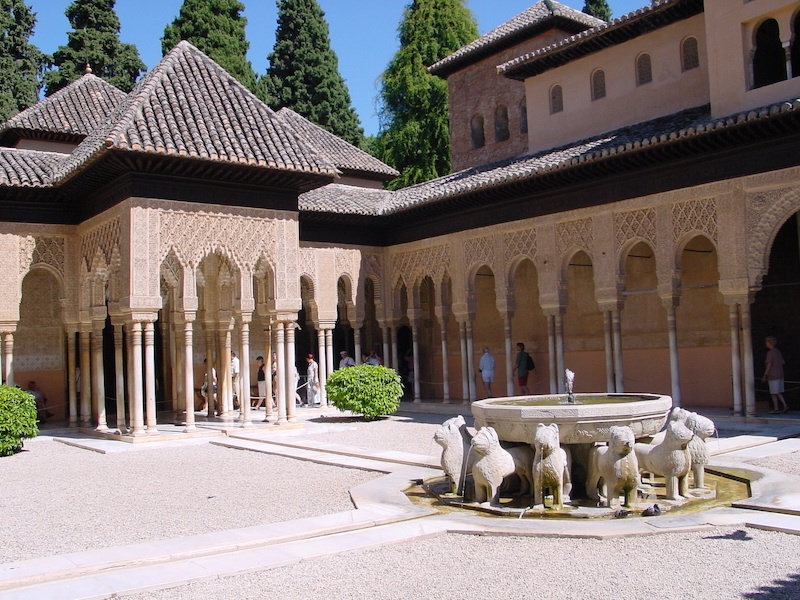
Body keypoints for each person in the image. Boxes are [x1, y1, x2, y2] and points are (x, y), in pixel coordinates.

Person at [763, 336, 789, 414]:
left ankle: (779, 407)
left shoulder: (770, 353)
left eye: (767, 342)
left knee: (774, 392)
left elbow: (769, 364)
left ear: (769, 343)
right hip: (780, 374)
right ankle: (781, 406)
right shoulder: (778, 351)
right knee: (777, 392)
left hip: (773, 375)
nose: (766, 344)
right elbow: (783, 362)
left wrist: (765, 375)